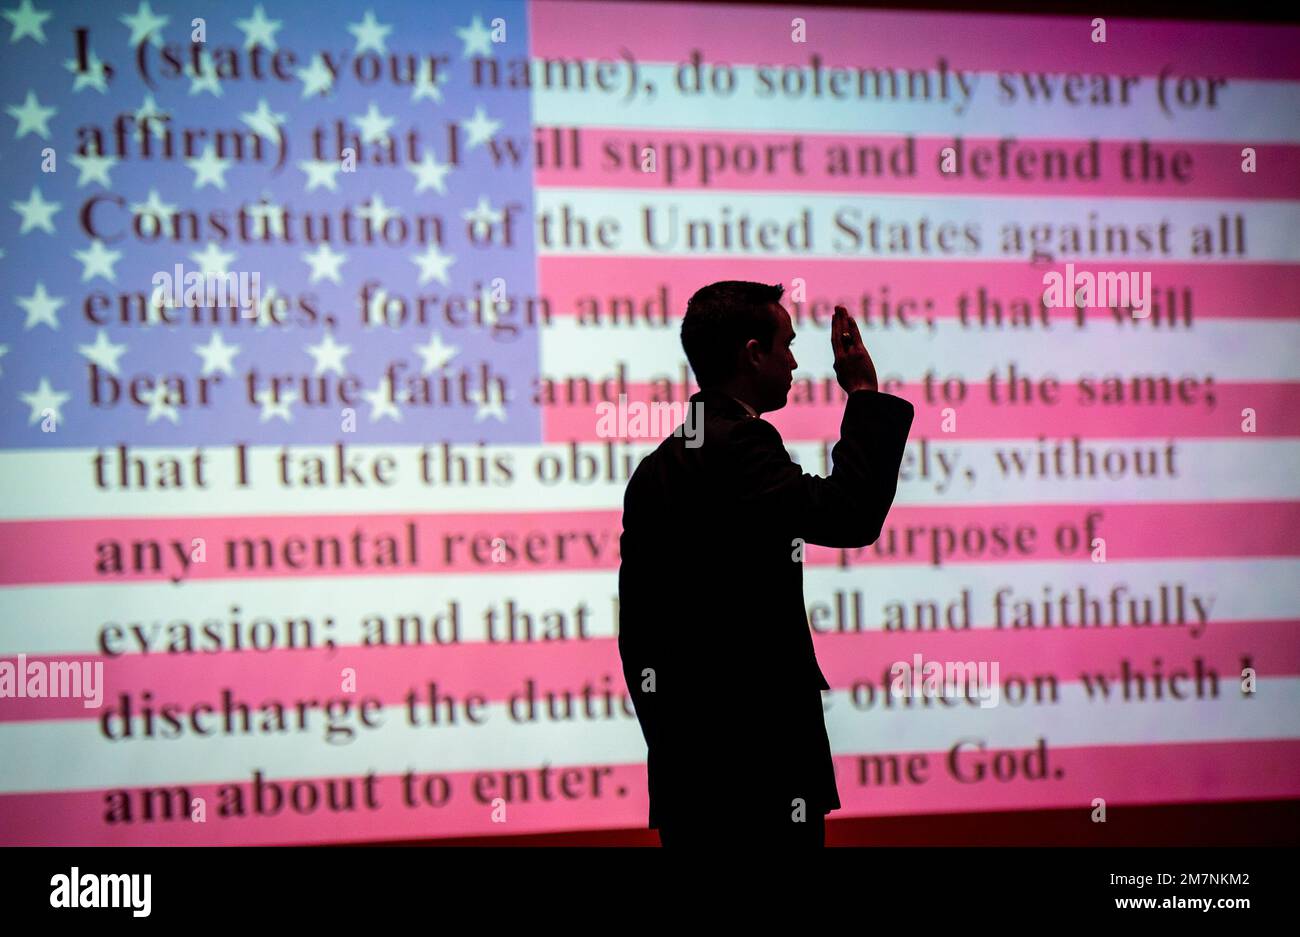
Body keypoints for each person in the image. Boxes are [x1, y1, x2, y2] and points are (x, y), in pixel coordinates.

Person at [617, 280, 915, 848]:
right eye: (787, 344)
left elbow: (640, 637)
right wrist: (863, 395)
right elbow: (849, 516)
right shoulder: (742, 443)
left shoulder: (655, 469)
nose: (796, 361)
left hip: (692, 782)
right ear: (753, 353)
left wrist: (674, 747)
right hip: (760, 777)